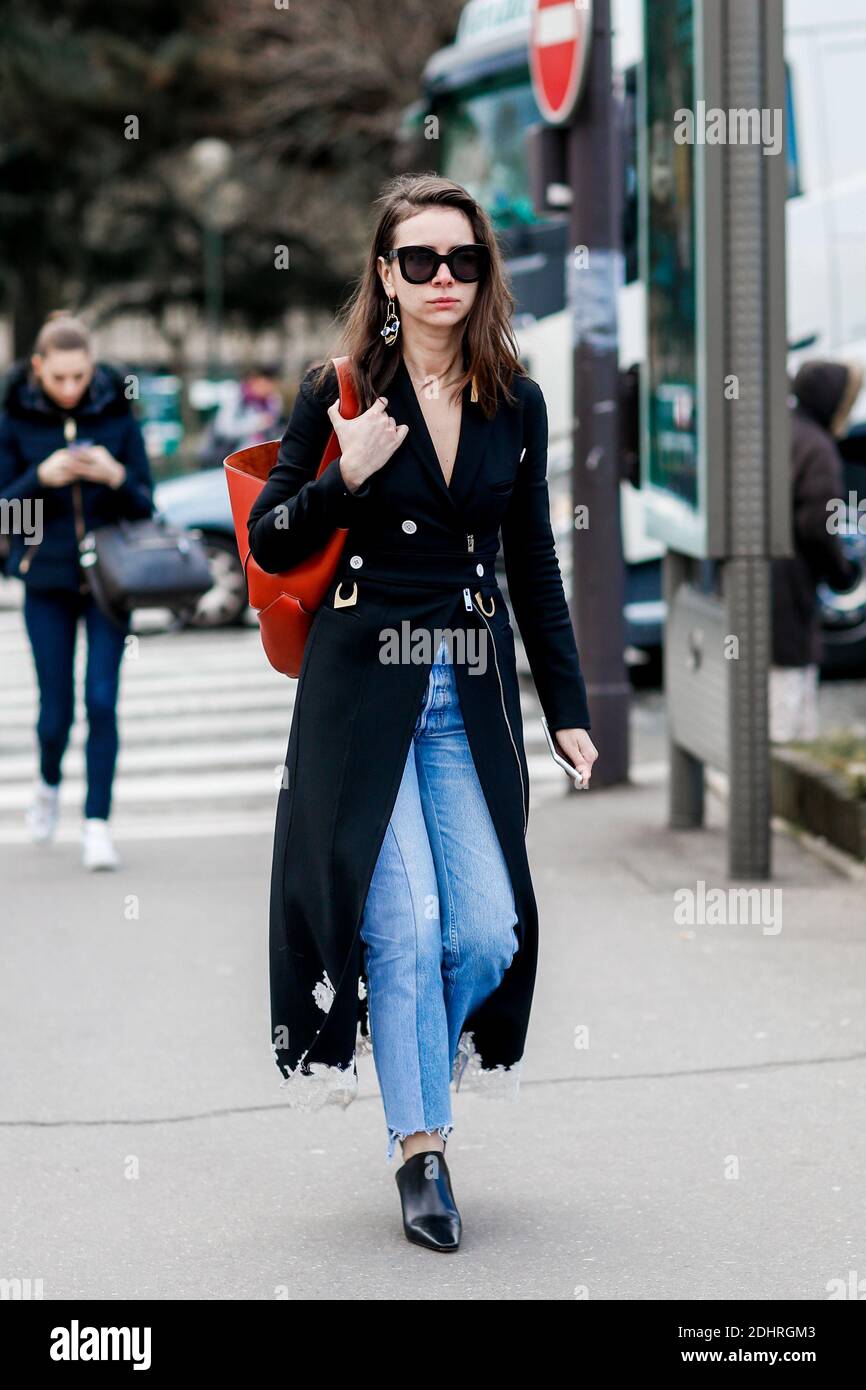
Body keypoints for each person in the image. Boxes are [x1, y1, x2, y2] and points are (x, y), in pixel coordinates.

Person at [247, 173, 598, 1252]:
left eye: (463, 260)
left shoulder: (515, 400)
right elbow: (267, 538)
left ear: (483, 274)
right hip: (364, 694)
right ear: (385, 276)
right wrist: (342, 478)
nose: (443, 278)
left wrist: (567, 706)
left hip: (469, 691)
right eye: (419, 261)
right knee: (402, 927)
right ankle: (420, 1150)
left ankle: (403, 1045)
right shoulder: (340, 389)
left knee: (485, 933)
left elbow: (531, 561)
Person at [0, 310, 154, 868]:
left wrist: (114, 475)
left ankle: (96, 826)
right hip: (47, 581)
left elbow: (147, 503)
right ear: (38, 368)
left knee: (102, 700)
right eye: (59, 377)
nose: (71, 388)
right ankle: (46, 785)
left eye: (80, 376)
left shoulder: (116, 412)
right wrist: (39, 478)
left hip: (111, 582)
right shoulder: (14, 419)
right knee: (55, 712)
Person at [770, 358, 863, 742]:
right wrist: (841, 572)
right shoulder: (818, 448)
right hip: (791, 584)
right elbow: (818, 526)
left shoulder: (780, 431)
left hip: (761, 579)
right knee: (790, 693)